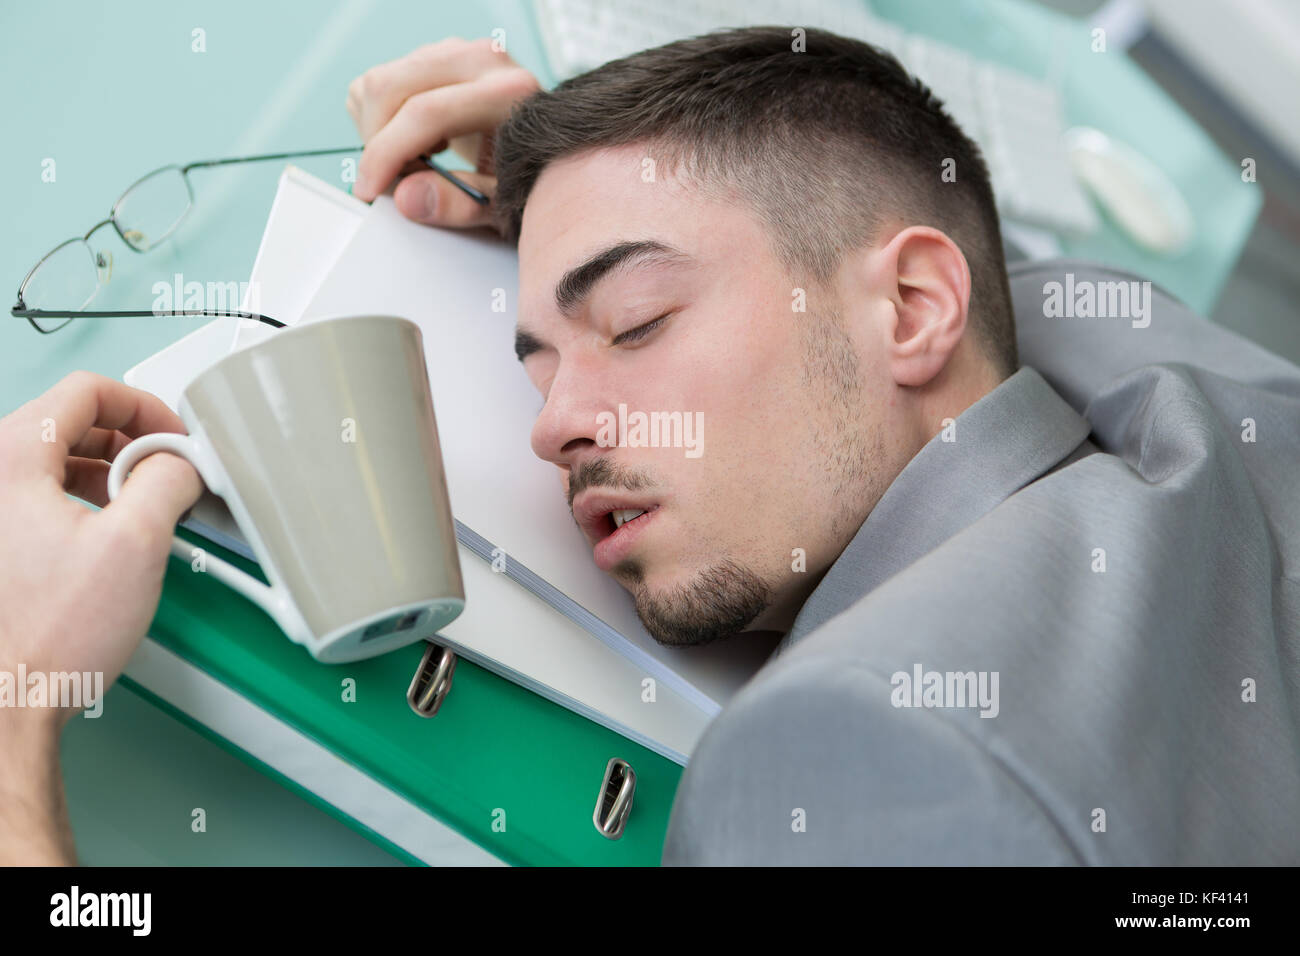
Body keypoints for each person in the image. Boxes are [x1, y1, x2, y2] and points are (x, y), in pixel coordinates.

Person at [3, 27, 1296, 865]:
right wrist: (608, 185)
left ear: (914, 306)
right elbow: (998, 266)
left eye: (634, 318)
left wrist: (15, 721)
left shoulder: (851, 766)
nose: (555, 423)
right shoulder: (1221, 410)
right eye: (543, 358)